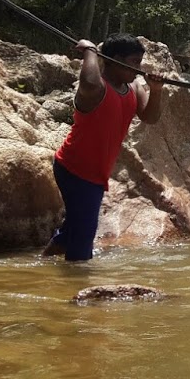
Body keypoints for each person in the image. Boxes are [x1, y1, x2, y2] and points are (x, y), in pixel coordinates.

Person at [42, 34, 165, 261]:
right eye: (133, 62)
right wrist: (90, 51)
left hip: (95, 173)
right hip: (75, 169)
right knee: (83, 239)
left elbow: (150, 117)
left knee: (75, 228)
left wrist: (156, 90)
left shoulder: (133, 87)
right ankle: (77, 286)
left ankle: (42, 265)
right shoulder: (97, 88)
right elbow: (88, 82)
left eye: (140, 62)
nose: (139, 69)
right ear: (115, 60)